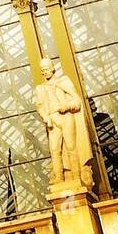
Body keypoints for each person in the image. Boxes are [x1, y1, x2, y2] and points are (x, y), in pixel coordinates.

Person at [33, 57, 94, 191]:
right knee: (55, 150)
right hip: (52, 121)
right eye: (43, 70)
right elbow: (39, 106)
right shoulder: (40, 88)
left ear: (53, 68)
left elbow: (77, 101)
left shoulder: (63, 82)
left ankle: (76, 175)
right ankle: (59, 177)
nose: (45, 72)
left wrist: (65, 106)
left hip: (65, 118)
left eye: (47, 69)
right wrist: (45, 117)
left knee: (71, 147)